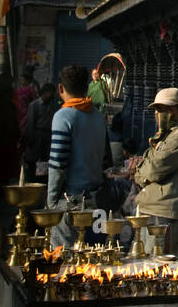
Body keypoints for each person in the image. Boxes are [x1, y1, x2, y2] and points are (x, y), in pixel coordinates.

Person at [131, 88, 178, 256]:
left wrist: (139, 174)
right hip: (151, 208)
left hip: (164, 212)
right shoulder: (166, 135)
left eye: (166, 109)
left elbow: (155, 167)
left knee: (158, 264)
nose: (160, 114)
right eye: (158, 109)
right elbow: (149, 160)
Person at [47, 64, 108, 249]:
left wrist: (51, 201)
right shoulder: (98, 116)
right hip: (97, 201)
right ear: (87, 87)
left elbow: (57, 163)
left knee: (64, 262)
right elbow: (106, 161)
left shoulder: (63, 116)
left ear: (60, 89)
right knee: (95, 260)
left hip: (71, 202)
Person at [23, 83, 57, 179]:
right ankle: (31, 178)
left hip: (47, 135)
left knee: (45, 160)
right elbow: (30, 123)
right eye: (50, 93)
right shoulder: (34, 105)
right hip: (37, 135)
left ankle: (42, 180)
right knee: (33, 160)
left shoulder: (51, 105)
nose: (52, 96)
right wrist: (30, 139)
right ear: (44, 93)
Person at [13, 68, 38, 139]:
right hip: (19, 112)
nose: (21, 81)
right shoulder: (18, 90)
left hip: (27, 113)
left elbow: (34, 101)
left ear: (27, 81)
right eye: (20, 80)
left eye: (22, 79)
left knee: (24, 131)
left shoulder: (31, 89)